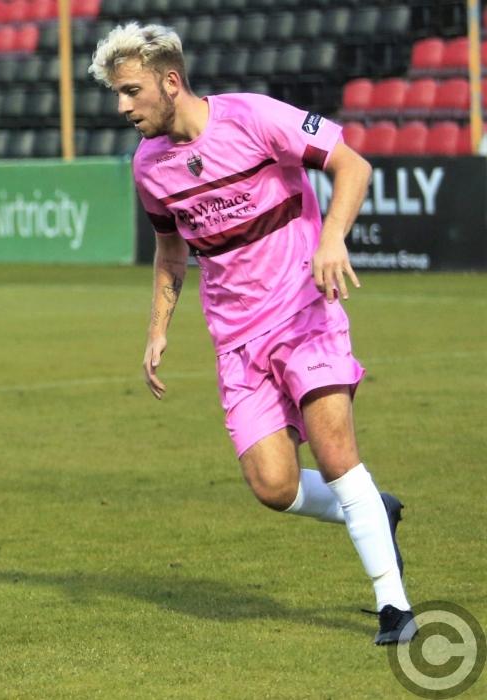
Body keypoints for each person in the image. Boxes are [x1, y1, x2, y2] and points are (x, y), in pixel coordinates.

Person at [90, 23, 414, 645]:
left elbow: (352, 164)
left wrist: (331, 239)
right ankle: (377, 508)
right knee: (274, 486)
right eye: (117, 94)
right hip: (237, 339)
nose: (123, 107)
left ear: (171, 81)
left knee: (336, 457)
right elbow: (170, 250)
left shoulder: (255, 117)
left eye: (131, 91)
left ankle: (393, 608)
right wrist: (157, 329)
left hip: (304, 313)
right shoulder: (149, 167)